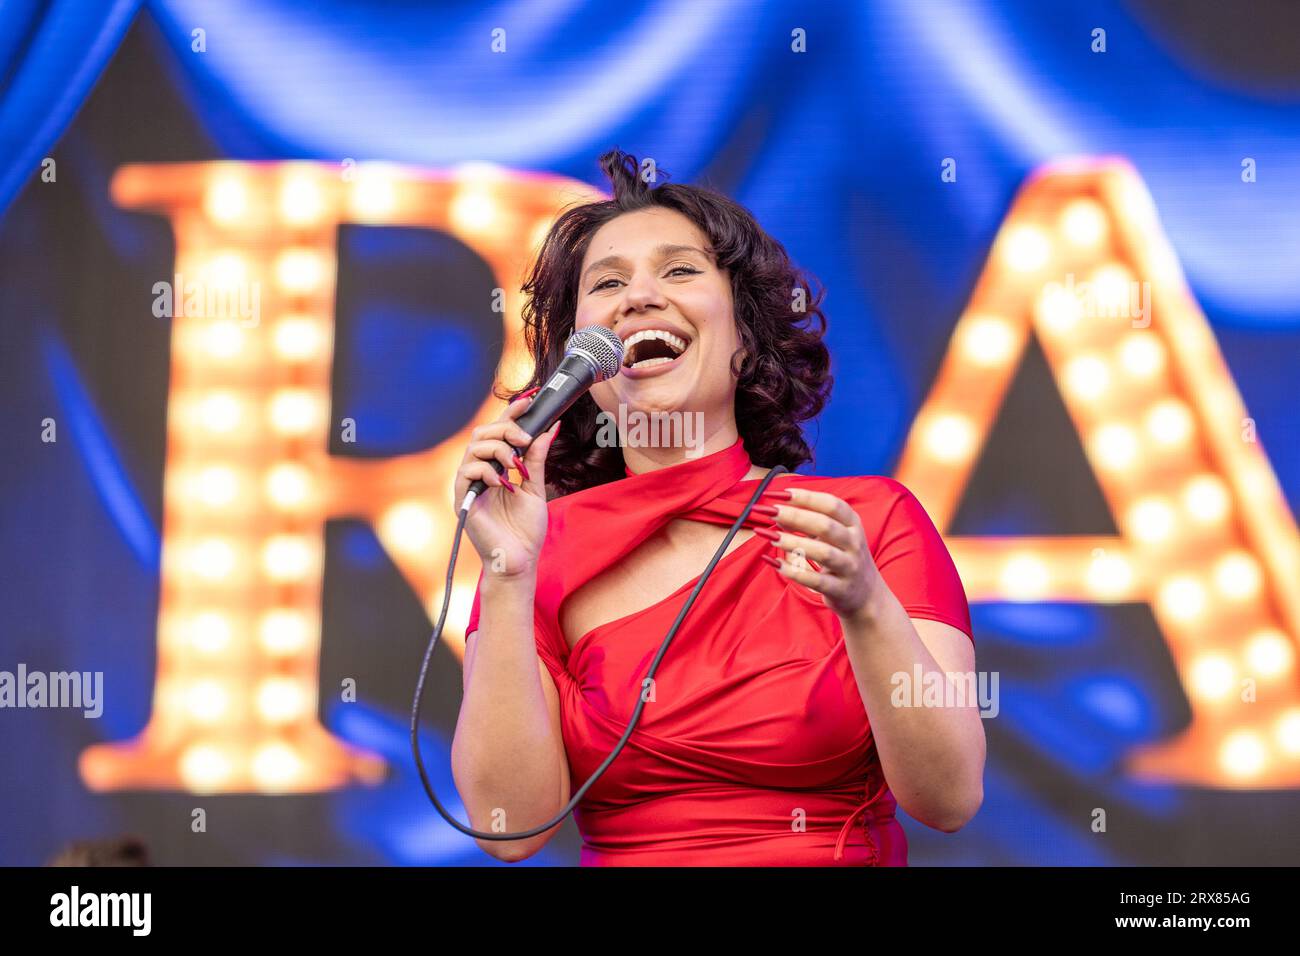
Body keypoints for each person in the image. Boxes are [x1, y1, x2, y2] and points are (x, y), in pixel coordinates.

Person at [450, 148, 984, 866]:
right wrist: (509, 578)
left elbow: (949, 798)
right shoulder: (533, 550)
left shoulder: (865, 524)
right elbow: (508, 823)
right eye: (607, 283)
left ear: (744, 334)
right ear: (581, 360)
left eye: (679, 270)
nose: (638, 296)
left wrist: (865, 606)